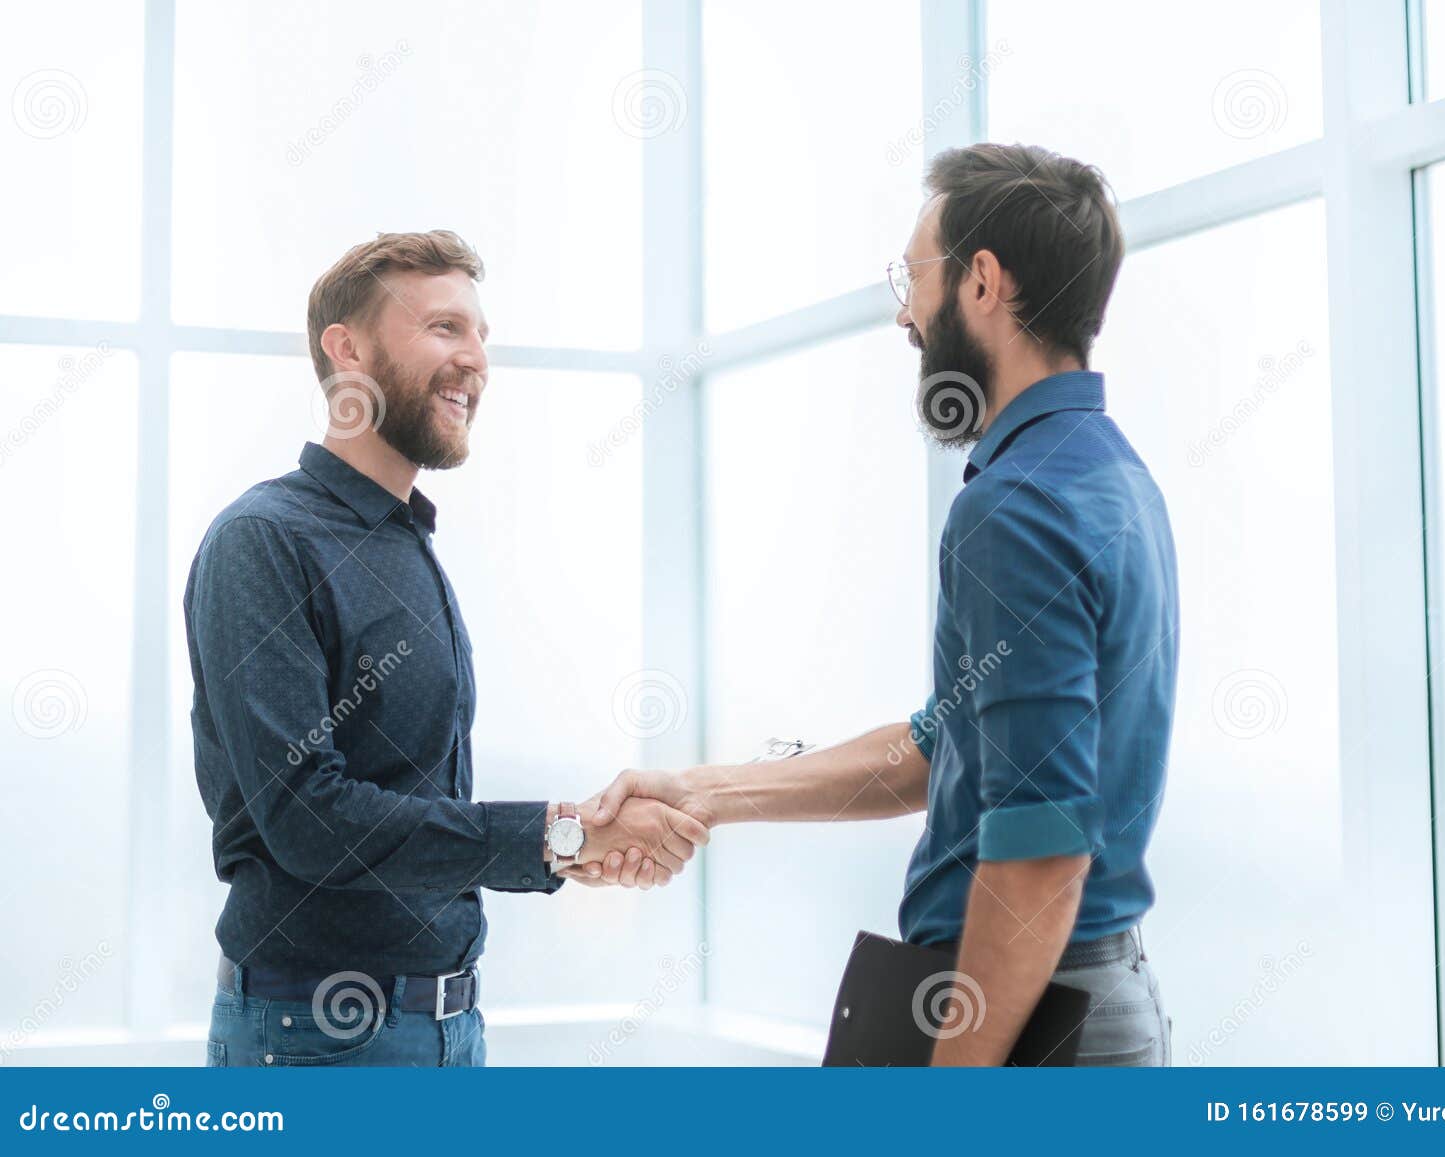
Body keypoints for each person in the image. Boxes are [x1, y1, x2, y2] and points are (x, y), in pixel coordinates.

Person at [576, 144, 1180, 1067]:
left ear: (982, 281)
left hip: (1021, 1020)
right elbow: (946, 746)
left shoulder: (1012, 506)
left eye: (915, 276)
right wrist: (707, 790)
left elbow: (1040, 846)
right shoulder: (1110, 477)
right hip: (1081, 998)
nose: (904, 311)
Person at [185, 230, 707, 1067]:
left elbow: (412, 803)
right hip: (319, 1039)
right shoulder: (263, 541)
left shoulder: (407, 542)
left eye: (480, 337)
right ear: (346, 349)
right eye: (444, 329)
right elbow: (308, 819)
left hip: (448, 1025)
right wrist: (556, 836)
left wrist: (571, 849)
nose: (475, 360)